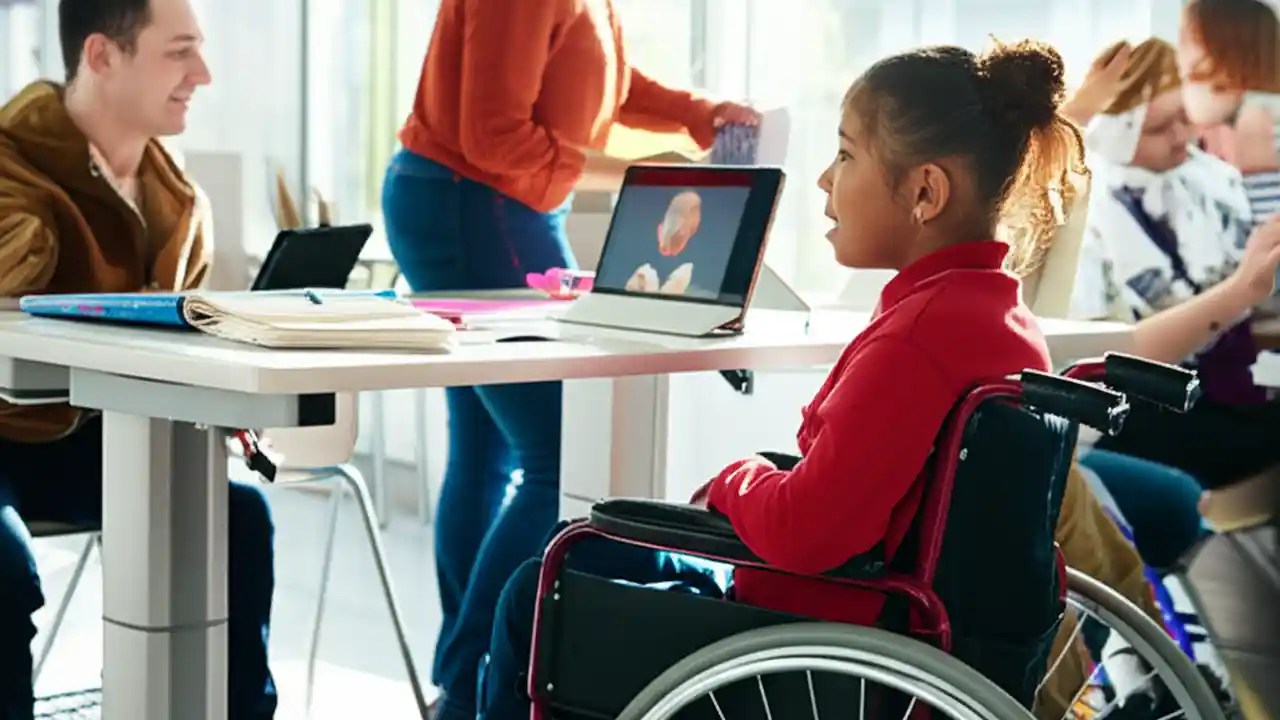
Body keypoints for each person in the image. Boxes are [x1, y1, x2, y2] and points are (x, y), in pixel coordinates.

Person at [465, 38, 1089, 719]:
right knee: (605, 557)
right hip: (893, 639)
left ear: (925, 191)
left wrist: (736, 480)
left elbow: (806, 536)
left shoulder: (918, 339)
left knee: (541, 586)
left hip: (818, 662)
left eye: (846, 155)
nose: (823, 179)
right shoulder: (1000, 319)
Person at [379, 2, 758, 716]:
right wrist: (644, 171)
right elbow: (493, 136)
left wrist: (697, 114)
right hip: (477, 201)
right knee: (553, 448)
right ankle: (468, 685)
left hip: (479, 200)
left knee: (490, 446)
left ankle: (463, 682)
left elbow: (603, 83)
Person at [0, 1, 276, 718]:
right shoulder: (10, 166)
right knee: (1, 564)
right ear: (102, 56)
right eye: (178, 51)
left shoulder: (175, 197)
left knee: (236, 521)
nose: (203, 74)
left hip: (84, 436)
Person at [1071, 37, 1280, 493]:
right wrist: (1243, 290)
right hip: (1139, 398)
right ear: (1114, 130)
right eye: (1161, 127)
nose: (1183, 136)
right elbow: (1113, 359)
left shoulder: (1212, 181)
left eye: (1186, 117)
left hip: (1217, 379)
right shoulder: (1087, 211)